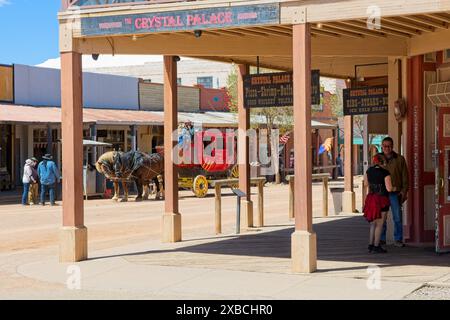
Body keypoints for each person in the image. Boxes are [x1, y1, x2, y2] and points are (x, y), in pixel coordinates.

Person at [379, 137, 409, 247]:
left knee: (397, 217)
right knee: (382, 218)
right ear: (382, 146)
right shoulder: (377, 158)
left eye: (389, 146)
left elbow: (405, 177)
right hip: (381, 193)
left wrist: (404, 191)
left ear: (393, 146)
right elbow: (372, 174)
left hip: (395, 192)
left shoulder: (400, 159)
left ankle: (398, 239)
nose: (387, 148)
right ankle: (381, 239)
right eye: (385, 146)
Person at [363, 154, 392, 253]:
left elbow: (366, 184)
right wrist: (395, 188)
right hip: (382, 199)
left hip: (371, 198)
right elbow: (389, 188)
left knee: (372, 224)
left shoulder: (368, 171)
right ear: (382, 162)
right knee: (380, 224)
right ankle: (376, 246)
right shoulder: (385, 173)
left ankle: (370, 245)